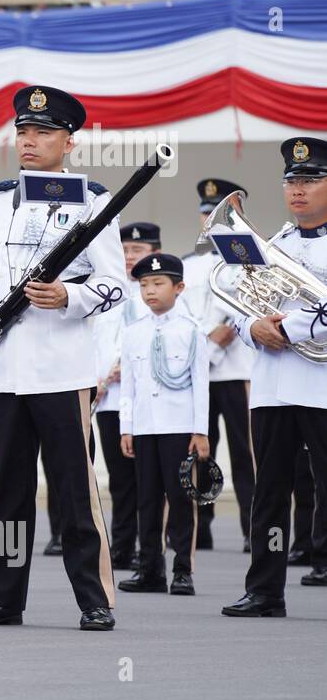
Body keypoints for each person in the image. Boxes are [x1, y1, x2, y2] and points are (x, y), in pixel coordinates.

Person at [0, 85, 125, 631]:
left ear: (69, 142)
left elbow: (116, 285)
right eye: (23, 132)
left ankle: (95, 599)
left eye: (43, 132)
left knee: (75, 490)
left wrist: (70, 297)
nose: (29, 141)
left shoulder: (94, 203)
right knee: (8, 494)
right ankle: (2, 598)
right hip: (2, 370)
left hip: (62, 368)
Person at [223, 137, 327, 616]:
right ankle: (265, 590)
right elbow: (242, 302)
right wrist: (253, 327)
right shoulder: (275, 244)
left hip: (321, 385)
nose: (297, 190)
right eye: (291, 181)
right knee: (269, 492)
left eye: (309, 180)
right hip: (272, 388)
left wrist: (291, 326)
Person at [118, 253, 210, 595]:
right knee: (147, 500)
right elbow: (128, 382)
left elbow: (201, 382)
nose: (150, 292)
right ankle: (149, 569)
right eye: (143, 285)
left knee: (181, 499)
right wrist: (126, 426)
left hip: (178, 426)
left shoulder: (191, 331)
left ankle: (182, 570)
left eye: (158, 284)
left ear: (179, 287)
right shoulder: (133, 332)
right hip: (144, 426)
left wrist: (200, 430)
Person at [182, 178, 255, 552]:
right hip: (200, 370)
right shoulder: (189, 266)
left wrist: (221, 333)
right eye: (206, 213)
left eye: (220, 211)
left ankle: (251, 529)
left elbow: (251, 307)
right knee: (197, 450)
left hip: (236, 370)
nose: (211, 218)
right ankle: (201, 529)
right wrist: (207, 341)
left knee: (245, 453)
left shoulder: (252, 260)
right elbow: (184, 313)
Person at [92, 223, 156, 572]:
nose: (130, 258)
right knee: (119, 479)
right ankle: (121, 543)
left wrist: (122, 367)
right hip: (108, 400)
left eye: (138, 251)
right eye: (126, 251)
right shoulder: (109, 293)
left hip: (142, 400)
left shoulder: (152, 296)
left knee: (146, 479)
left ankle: (150, 550)